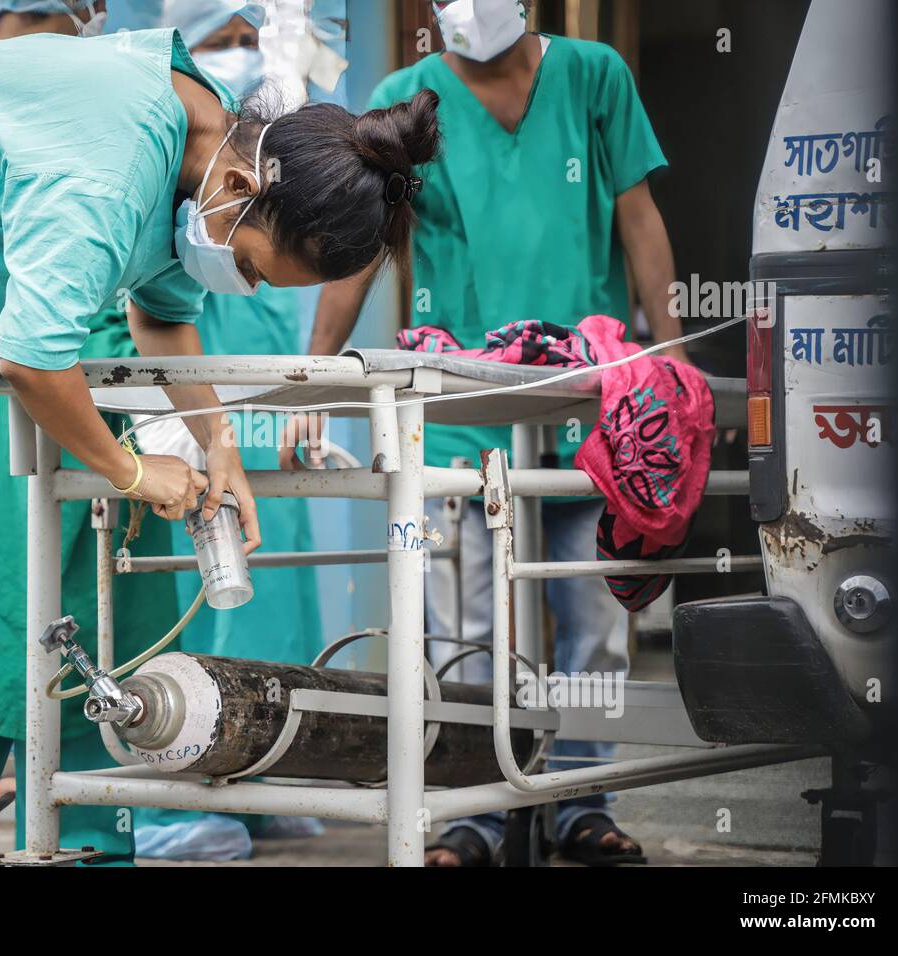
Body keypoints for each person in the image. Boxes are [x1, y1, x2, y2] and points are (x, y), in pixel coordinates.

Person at [0, 23, 441, 865]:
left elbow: (163, 313)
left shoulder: (198, 140)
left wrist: (215, 441)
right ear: (239, 181)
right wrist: (128, 469)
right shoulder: (114, 161)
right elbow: (35, 359)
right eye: (259, 270)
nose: (247, 283)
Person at [307, 0, 685, 866]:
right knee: (470, 627)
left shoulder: (594, 77)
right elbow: (366, 245)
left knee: (591, 626)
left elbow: (639, 218)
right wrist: (314, 376)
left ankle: (581, 804)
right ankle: (475, 813)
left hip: (587, 400)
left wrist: (664, 361)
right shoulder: (408, 96)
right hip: (463, 416)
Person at [0, 0, 178, 868]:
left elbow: (163, 300)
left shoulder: (126, 107)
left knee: (104, 668)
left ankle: (89, 846)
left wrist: (195, 437)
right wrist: (132, 468)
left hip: (97, 394)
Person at [129, 0, 326, 863]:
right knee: (193, 596)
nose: (246, 58)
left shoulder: (278, 217)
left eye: (259, 39)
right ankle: (178, 788)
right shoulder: (171, 189)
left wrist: (279, 413)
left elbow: (271, 315)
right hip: (182, 400)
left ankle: (259, 764)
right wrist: (173, 440)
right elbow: (157, 314)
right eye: (228, 41)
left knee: (276, 592)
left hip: (252, 413)